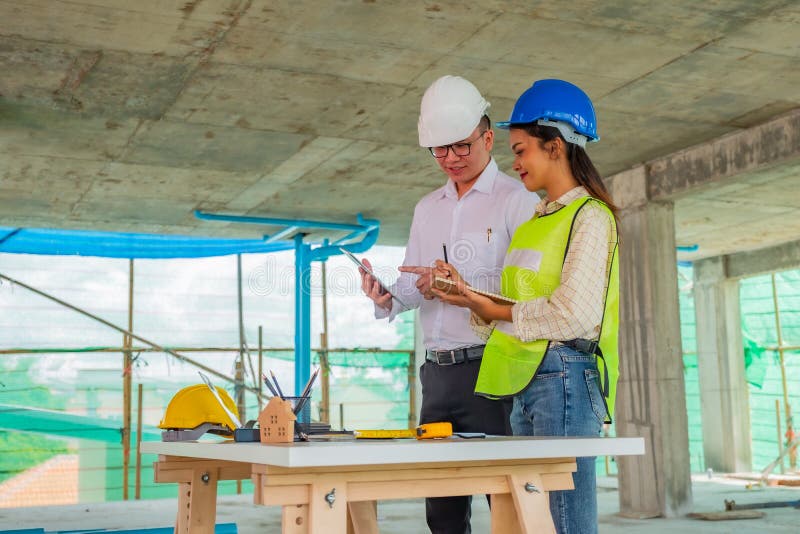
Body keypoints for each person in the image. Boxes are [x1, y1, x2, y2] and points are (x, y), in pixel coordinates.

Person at [430, 79, 620, 534]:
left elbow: (574, 314)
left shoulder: (590, 216)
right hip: (529, 378)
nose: (513, 164)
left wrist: (494, 311)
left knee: (563, 520)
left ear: (555, 146)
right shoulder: (537, 220)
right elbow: (522, 304)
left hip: (568, 378)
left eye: (521, 151)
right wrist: (468, 297)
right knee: (529, 520)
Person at [358, 75, 538, 534]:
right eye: (439, 150)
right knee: (442, 510)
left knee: (506, 503)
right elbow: (414, 281)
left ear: (488, 137)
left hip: (493, 372)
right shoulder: (427, 208)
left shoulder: (517, 202)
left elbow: (529, 298)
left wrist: (462, 289)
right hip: (437, 375)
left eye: (460, 146)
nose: (450, 159)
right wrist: (388, 296)